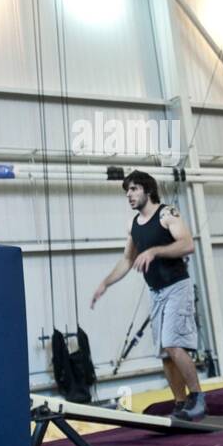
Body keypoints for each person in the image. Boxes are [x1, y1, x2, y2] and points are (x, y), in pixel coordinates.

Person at [91, 171, 207, 421]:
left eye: (133, 189)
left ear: (147, 190)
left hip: (177, 286)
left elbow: (188, 244)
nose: (129, 195)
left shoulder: (168, 213)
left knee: (173, 343)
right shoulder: (133, 225)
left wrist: (154, 251)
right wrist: (105, 283)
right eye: (127, 192)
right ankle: (180, 402)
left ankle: (198, 398)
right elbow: (127, 260)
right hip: (156, 293)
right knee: (164, 352)